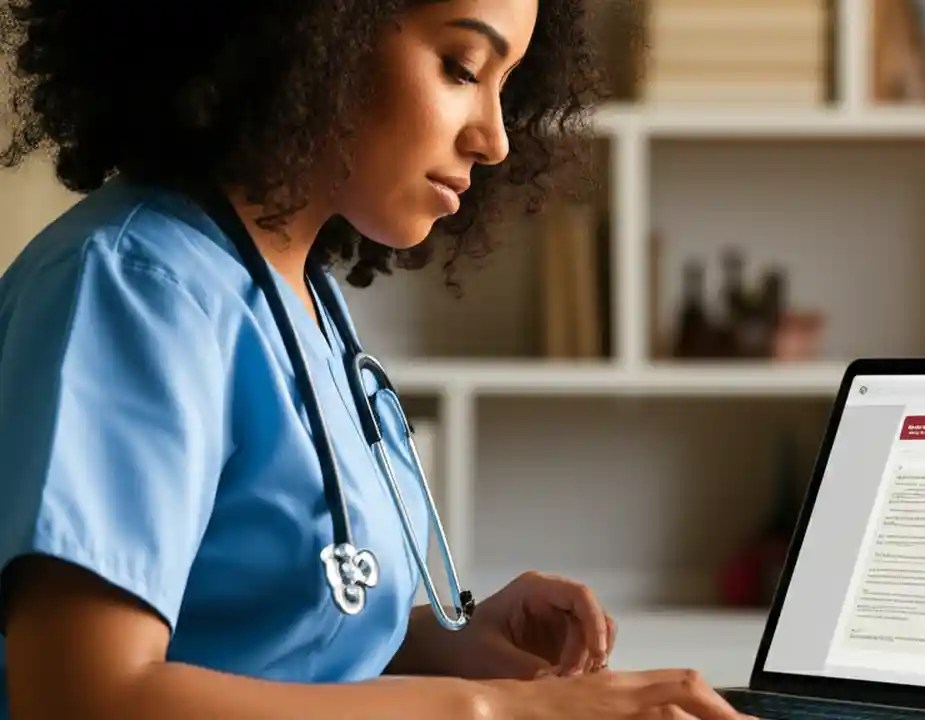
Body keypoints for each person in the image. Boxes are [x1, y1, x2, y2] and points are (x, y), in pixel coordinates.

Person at [0, 1, 755, 718]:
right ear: (314, 28)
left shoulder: (302, 294)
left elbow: (252, 639)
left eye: (507, 85)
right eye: (463, 67)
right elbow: (81, 699)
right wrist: (501, 708)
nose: (495, 138)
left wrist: (439, 643)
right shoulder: (133, 287)